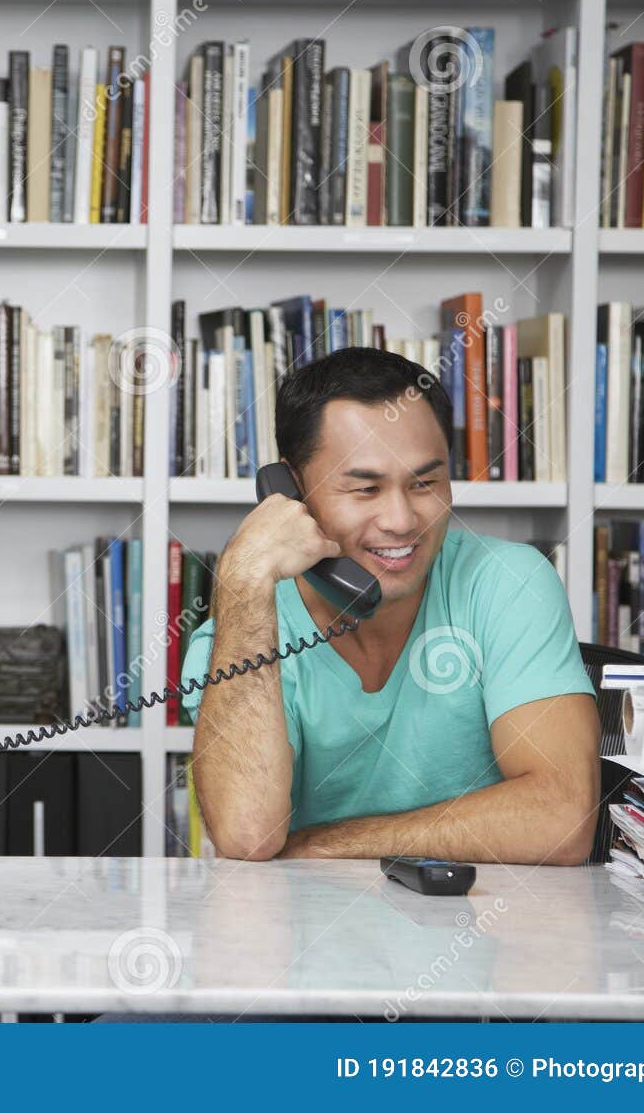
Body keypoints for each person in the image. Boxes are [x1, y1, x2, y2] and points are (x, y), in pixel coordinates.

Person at [182, 347, 598, 865]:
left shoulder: (509, 583)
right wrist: (244, 580)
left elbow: (562, 816)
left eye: (425, 483)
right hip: (309, 939)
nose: (402, 520)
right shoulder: (240, 640)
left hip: (487, 929)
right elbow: (247, 836)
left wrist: (324, 845)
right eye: (365, 488)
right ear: (290, 491)